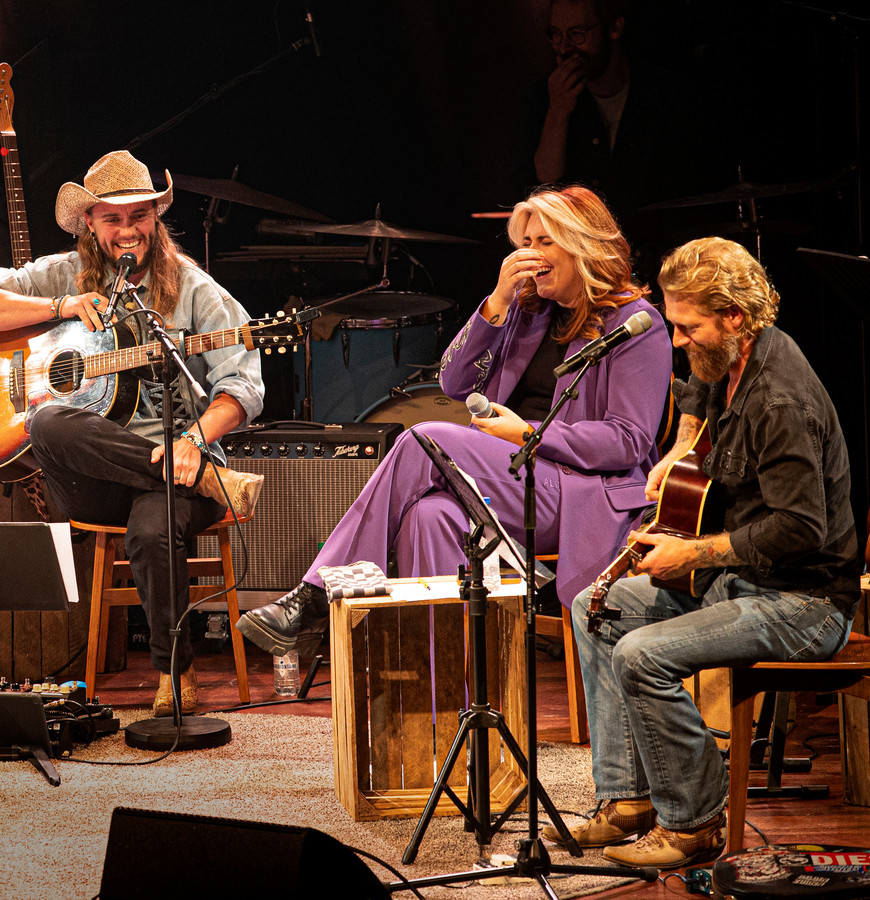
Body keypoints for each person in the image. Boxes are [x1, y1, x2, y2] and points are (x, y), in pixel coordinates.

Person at [236, 185, 672, 656]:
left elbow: (628, 441)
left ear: (583, 245)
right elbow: (454, 382)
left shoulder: (636, 325)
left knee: (423, 439)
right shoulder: (528, 312)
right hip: (510, 477)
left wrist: (528, 433)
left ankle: (317, 595)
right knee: (429, 516)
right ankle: (444, 683)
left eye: (546, 242)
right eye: (526, 243)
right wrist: (497, 302)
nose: (531, 254)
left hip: (581, 493)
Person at [548, 237, 858, 868]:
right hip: (743, 581)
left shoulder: (780, 401)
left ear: (734, 317)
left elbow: (801, 529)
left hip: (803, 603)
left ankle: (694, 822)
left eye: (689, 328)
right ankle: (628, 800)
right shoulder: (729, 358)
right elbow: (696, 395)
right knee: (595, 607)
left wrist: (690, 555)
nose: (678, 340)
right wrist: (679, 454)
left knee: (641, 653)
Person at [0, 150, 265, 717]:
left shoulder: (194, 290)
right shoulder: (60, 273)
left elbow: (242, 387)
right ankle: (207, 480)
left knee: (151, 530)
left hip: (178, 470)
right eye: (113, 218)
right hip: (96, 480)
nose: (128, 230)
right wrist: (62, 305)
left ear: (156, 217)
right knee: (46, 421)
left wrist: (192, 442)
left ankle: (175, 671)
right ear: (89, 223)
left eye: (139, 216)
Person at [514, 0, 696, 221]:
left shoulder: (667, 95)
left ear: (614, 28)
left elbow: (685, 194)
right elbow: (541, 191)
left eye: (577, 33)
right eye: (556, 34)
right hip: (578, 238)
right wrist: (558, 112)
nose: (563, 48)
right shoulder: (544, 97)